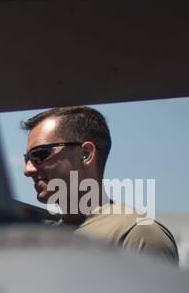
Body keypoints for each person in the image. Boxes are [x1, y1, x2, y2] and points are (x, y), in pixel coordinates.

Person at [20, 105, 178, 263]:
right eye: (27, 159)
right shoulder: (41, 237)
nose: (28, 170)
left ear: (86, 154)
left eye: (39, 155)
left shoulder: (135, 234)